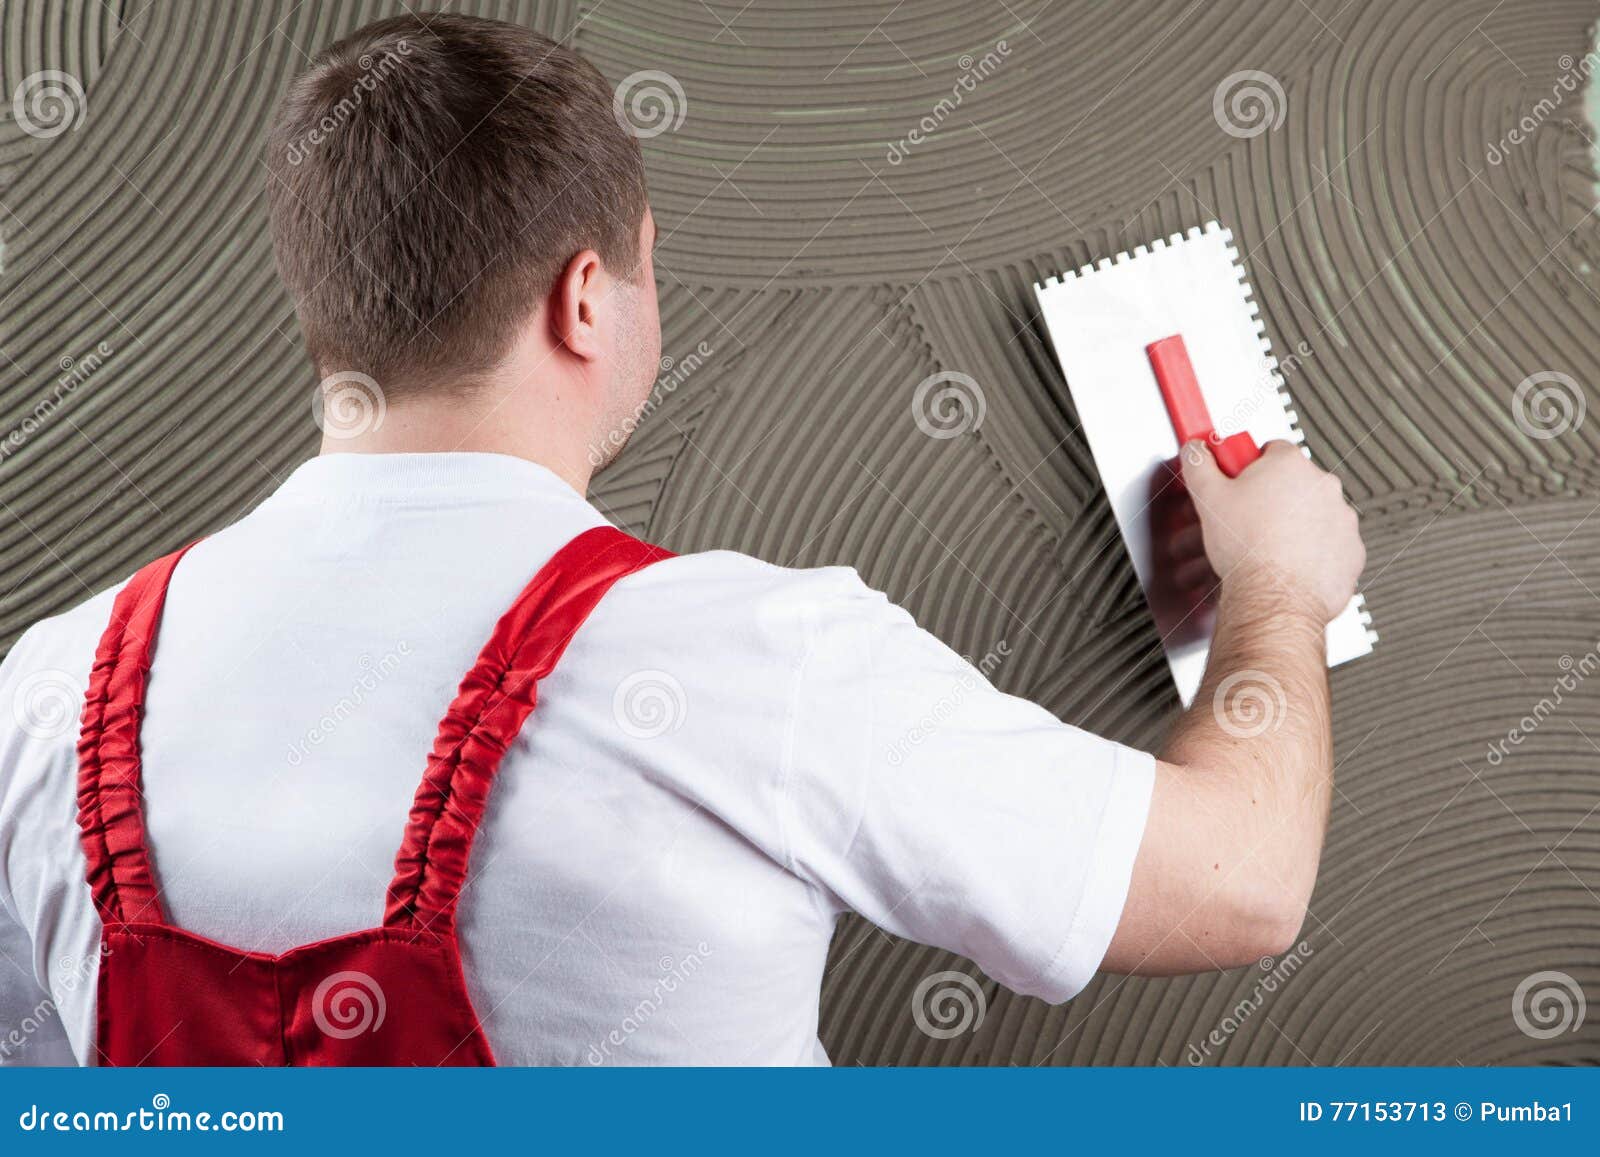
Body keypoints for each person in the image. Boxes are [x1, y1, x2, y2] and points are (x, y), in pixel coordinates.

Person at [0, 13, 1364, 1066]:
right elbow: (1240, 881)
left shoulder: (49, 697)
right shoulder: (749, 660)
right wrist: (1280, 591)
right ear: (587, 297)